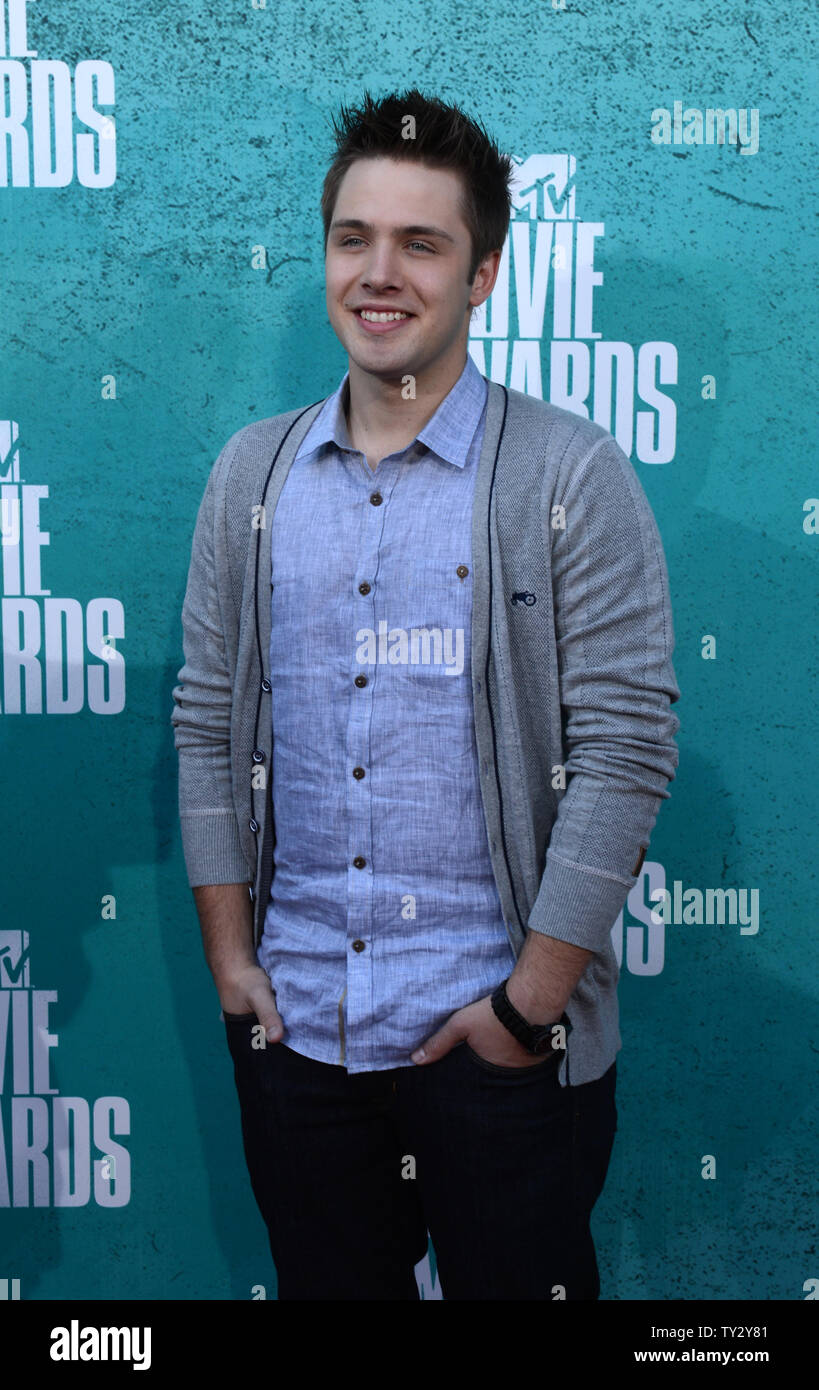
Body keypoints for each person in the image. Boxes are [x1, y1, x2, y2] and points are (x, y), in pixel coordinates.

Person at [171, 88, 681, 1301]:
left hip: (502, 1048)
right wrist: (235, 964)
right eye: (355, 238)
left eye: (422, 242)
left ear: (484, 273)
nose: (379, 272)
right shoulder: (252, 472)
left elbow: (624, 750)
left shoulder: (569, 473)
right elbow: (204, 723)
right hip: (301, 1037)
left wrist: (525, 1009)